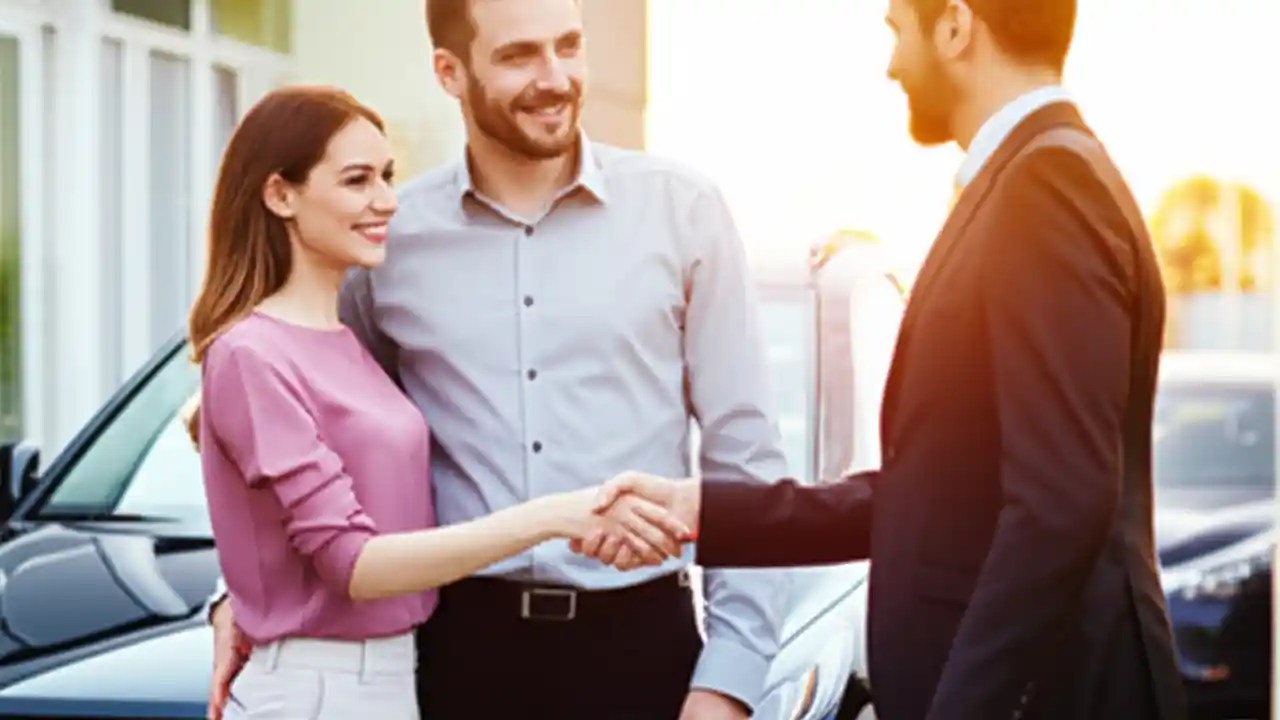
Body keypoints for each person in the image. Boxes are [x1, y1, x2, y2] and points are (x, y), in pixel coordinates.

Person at [585, 0, 1190, 718]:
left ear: (957, 27)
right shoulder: (1032, 177)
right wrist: (702, 510)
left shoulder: (1045, 186)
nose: (892, 64)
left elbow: (1061, 504)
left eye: (897, 31)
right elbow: (933, 493)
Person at [206, 0, 790, 717]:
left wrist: (729, 677)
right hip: (454, 658)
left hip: (643, 649)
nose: (555, 78)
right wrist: (238, 591)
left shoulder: (682, 209)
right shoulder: (386, 242)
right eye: (519, 56)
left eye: (569, 47)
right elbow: (307, 439)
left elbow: (748, 460)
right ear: (450, 72)